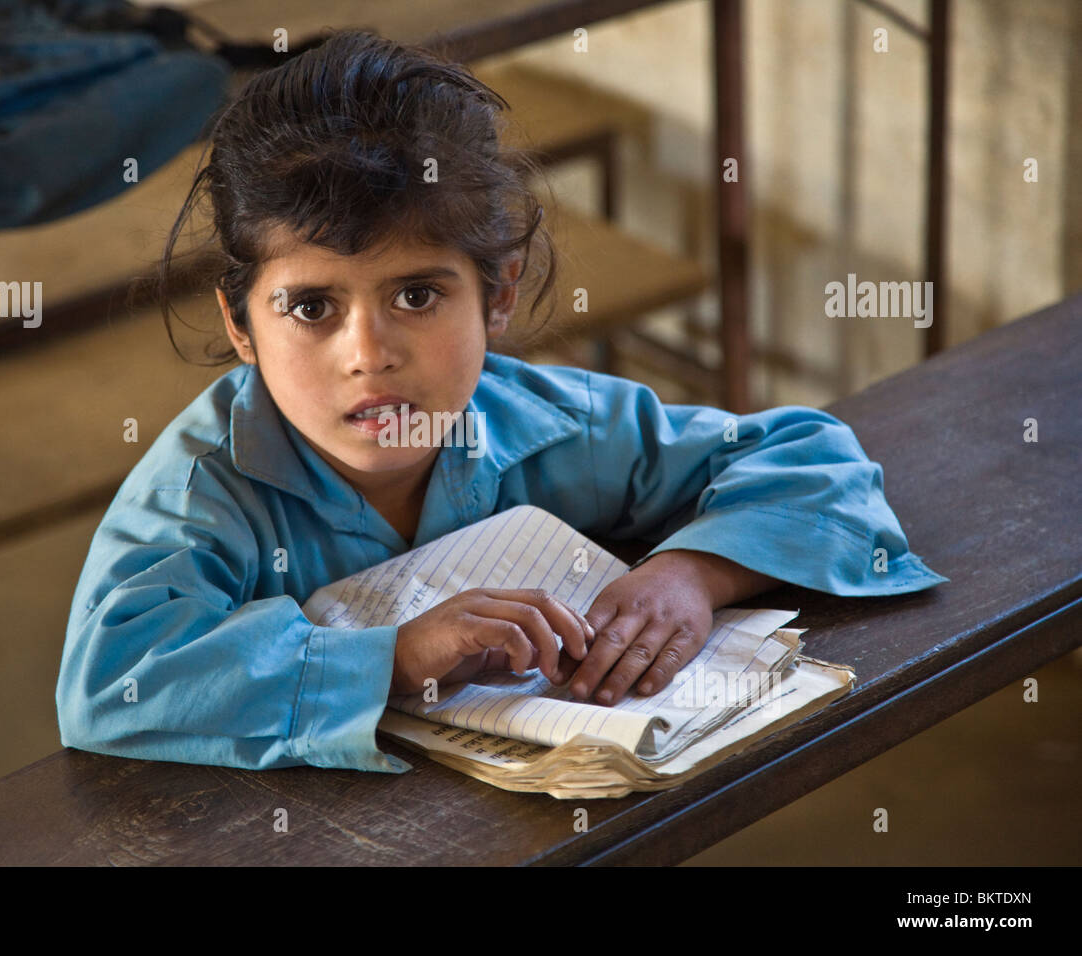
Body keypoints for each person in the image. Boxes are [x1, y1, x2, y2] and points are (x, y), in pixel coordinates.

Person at [55, 29, 947, 774]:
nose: (370, 356)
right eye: (311, 308)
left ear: (498, 294)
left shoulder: (547, 424)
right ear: (242, 325)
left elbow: (811, 458)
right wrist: (394, 659)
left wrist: (693, 575)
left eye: (416, 296)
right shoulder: (205, 495)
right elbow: (113, 681)